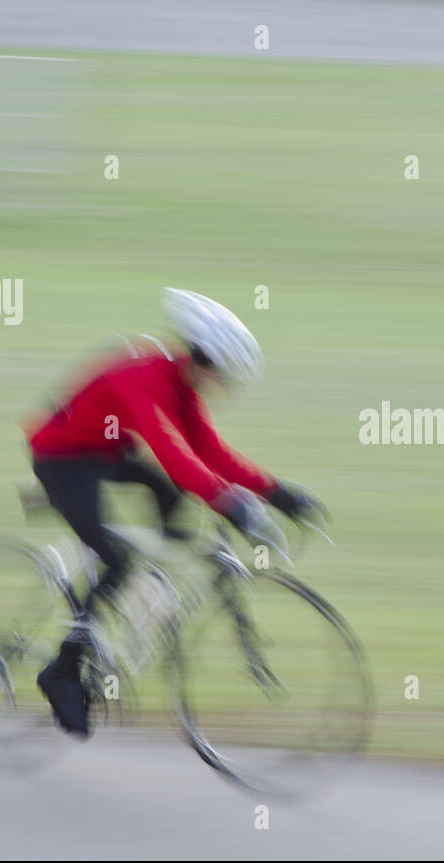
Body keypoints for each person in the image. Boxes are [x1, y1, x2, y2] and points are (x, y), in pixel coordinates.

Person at [22, 287, 324, 737]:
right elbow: (174, 455)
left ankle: (149, 584)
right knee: (117, 559)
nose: (221, 384)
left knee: (173, 504)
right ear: (203, 358)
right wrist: (231, 504)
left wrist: (277, 492)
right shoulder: (143, 377)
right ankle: (63, 671)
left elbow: (211, 452)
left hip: (105, 453)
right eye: (221, 373)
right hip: (61, 459)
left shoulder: (184, 385)